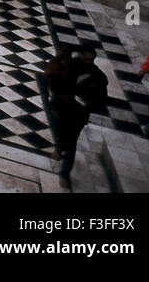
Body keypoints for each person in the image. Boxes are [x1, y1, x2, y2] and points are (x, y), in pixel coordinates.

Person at [45, 43, 108, 190]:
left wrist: (85, 106)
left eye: (89, 60)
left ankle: (64, 173)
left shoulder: (97, 77)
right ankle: (59, 149)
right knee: (60, 133)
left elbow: (100, 100)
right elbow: (53, 82)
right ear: (79, 56)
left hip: (77, 114)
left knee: (71, 144)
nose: (86, 62)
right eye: (84, 59)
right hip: (61, 109)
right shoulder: (68, 68)